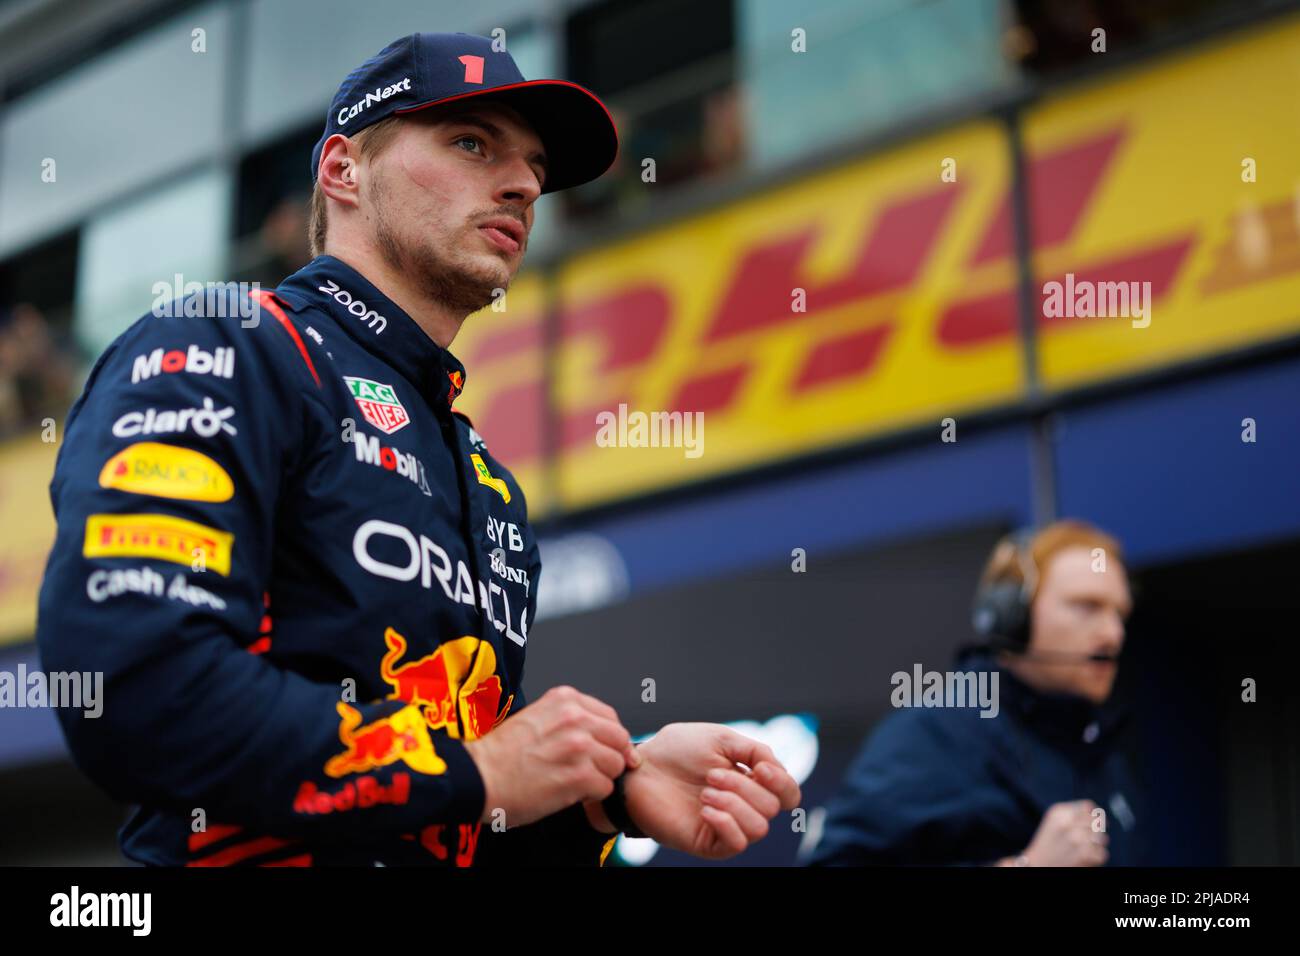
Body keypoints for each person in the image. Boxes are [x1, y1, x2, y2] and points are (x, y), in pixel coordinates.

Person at [36, 32, 799, 867]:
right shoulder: (227, 343)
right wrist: (476, 770)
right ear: (343, 172)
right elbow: (137, 691)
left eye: (535, 168)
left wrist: (607, 797)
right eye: (471, 143)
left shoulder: (489, 486)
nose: (520, 185)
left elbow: (452, 826)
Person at [809, 520, 1148, 866]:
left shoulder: (1100, 750)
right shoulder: (937, 735)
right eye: (1087, 606)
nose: (1112, 634)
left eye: (1120, 614)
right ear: (1010, 618)